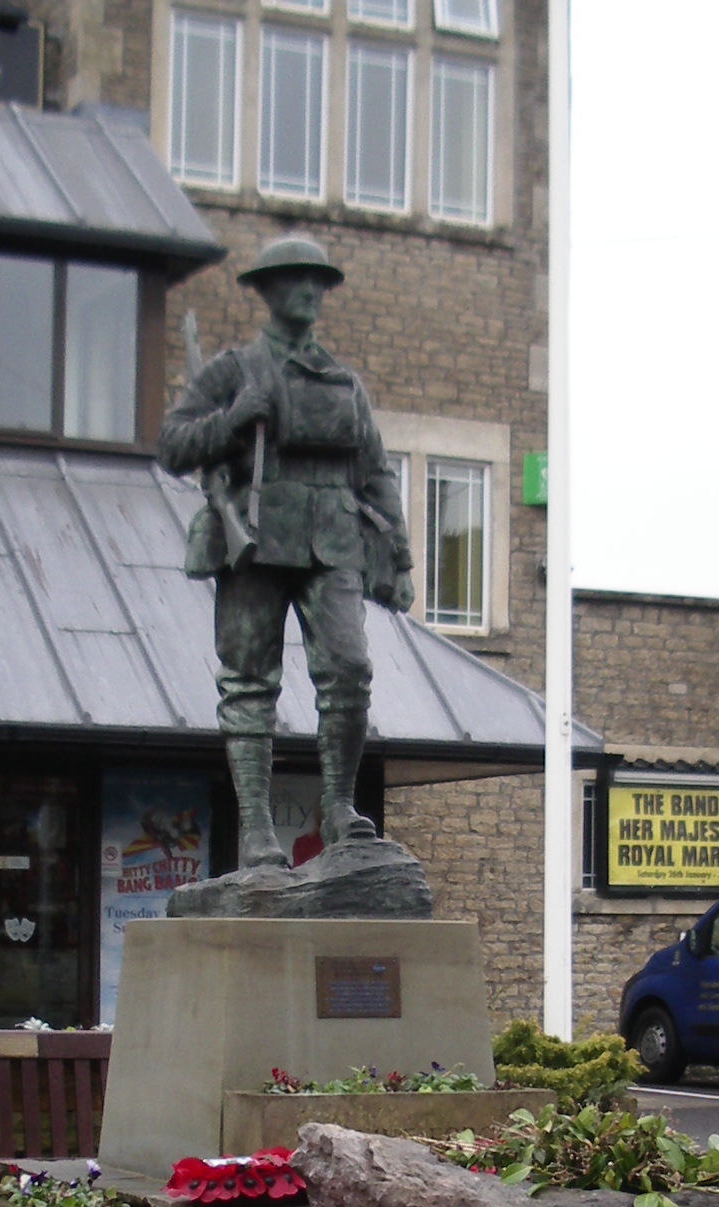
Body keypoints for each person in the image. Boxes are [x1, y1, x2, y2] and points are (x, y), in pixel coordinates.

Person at [160, 236, 414, 871]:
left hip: (334, 539)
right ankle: (255, 828)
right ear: (268, 290)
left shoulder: (344, 382)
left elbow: (375, 472)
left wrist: (401, 556)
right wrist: (233, 419)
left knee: (350, 670)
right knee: (249, 682)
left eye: (317, 281)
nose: (309, 291)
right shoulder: (233, 371)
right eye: (296, 279)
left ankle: (338, 807)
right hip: (256, 537)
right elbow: (172, 445)